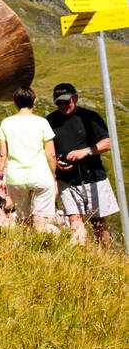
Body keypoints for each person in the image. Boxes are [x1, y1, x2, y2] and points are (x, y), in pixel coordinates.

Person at [46, 82, 119, 247]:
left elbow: (107, 143)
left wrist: (85, 151)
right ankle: (81, 254)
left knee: (98, 221)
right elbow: (47, 148)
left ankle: (103, 255)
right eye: (59, 103)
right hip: (67, 180)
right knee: (74, 219)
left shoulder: (89, 117)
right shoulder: (50, 120)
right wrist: (55, 162)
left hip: (93, 177)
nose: (63, 106)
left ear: (75, 98)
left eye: (67, 102)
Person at [0, 86, 58, 233]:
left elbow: (2, 154)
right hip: (41, 175)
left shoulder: (6, 123)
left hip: (16, 177)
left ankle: (26, 248)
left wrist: (0, 177)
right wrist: (54, 176)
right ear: (34, 101)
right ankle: (41, 248)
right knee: (41, 217)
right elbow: (51, 154)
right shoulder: (42, 122)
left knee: (23, 217)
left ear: (15, 103)